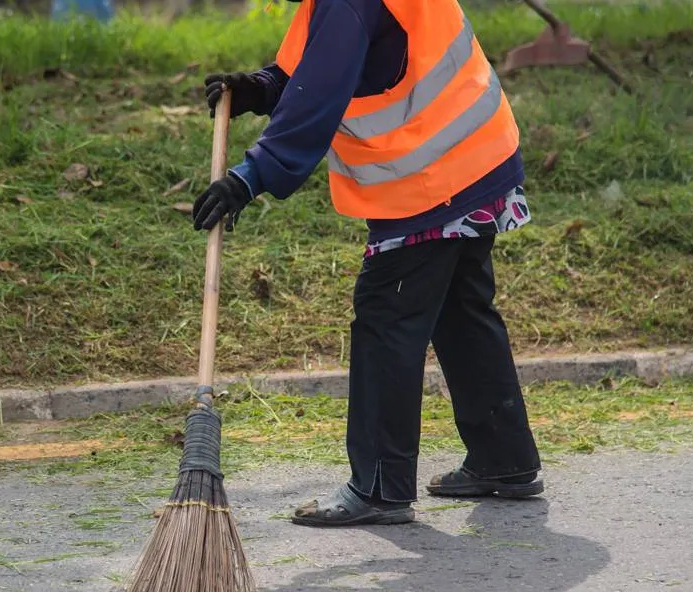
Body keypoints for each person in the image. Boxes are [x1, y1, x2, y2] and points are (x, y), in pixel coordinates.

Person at [191, 0, 543, 527]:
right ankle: (504, 459)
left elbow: (323, 89)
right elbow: (331, 61)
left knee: (385, 317)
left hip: (430, 178)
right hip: (476, 156)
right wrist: (263, 87)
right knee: (460, 311)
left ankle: (380, 485)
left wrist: (251, 175)